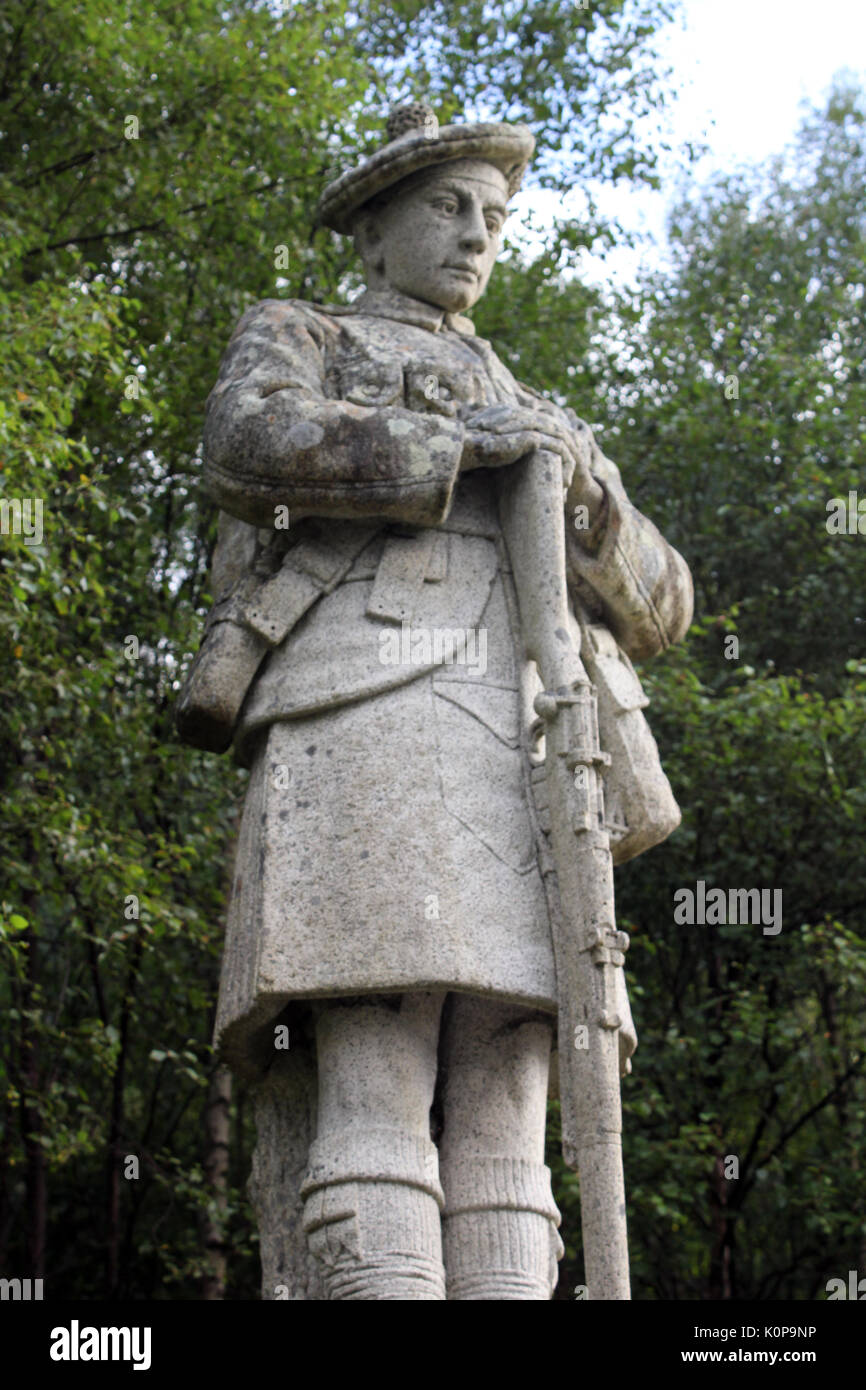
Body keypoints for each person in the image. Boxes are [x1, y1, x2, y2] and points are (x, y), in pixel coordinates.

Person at [188, 103, 693, 1300]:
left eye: (494, 217)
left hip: (536, 737)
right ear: (371, 232)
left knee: (514, 1077)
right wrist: (459, 446)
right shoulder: (303, 331)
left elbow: (665, 599)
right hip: (363, 702)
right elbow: (247, 441)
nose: (476, 235)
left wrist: (582, 504)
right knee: (372, 1048)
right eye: (446, 206)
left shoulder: (545, 408)